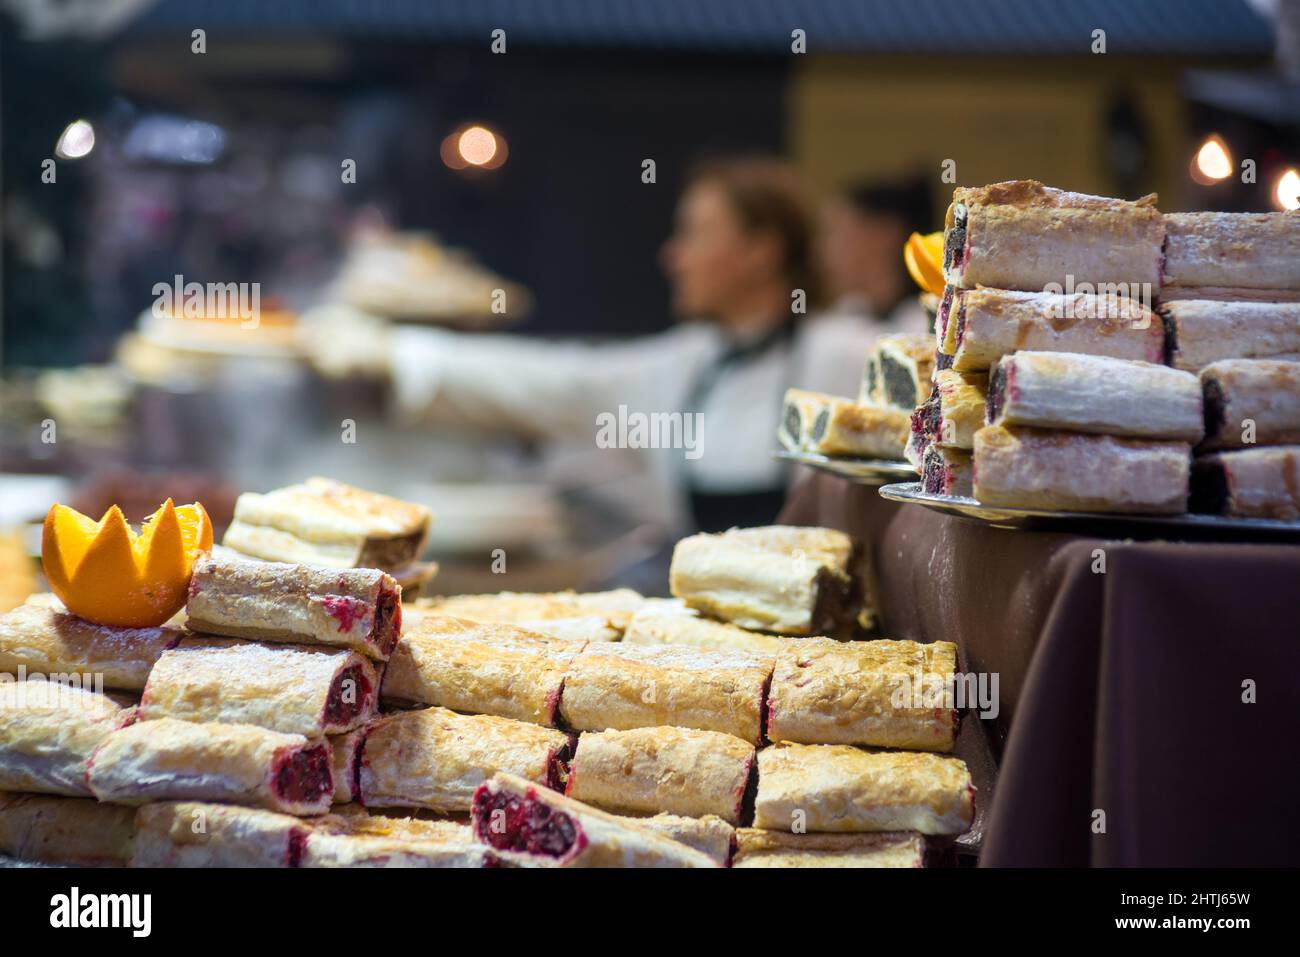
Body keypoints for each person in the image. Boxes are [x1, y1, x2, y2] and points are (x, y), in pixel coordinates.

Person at [311, 157, 879, 535]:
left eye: (696, 234)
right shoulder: (689, 364)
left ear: (762, 250)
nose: (673, 256)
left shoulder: (850, 356)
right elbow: (556, 378)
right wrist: (396, 351)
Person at [818, 173, 935, 338]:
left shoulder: (927, 327)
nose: (822, 249)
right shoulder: (845, 314)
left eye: (833, 232)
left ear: (883, 233)